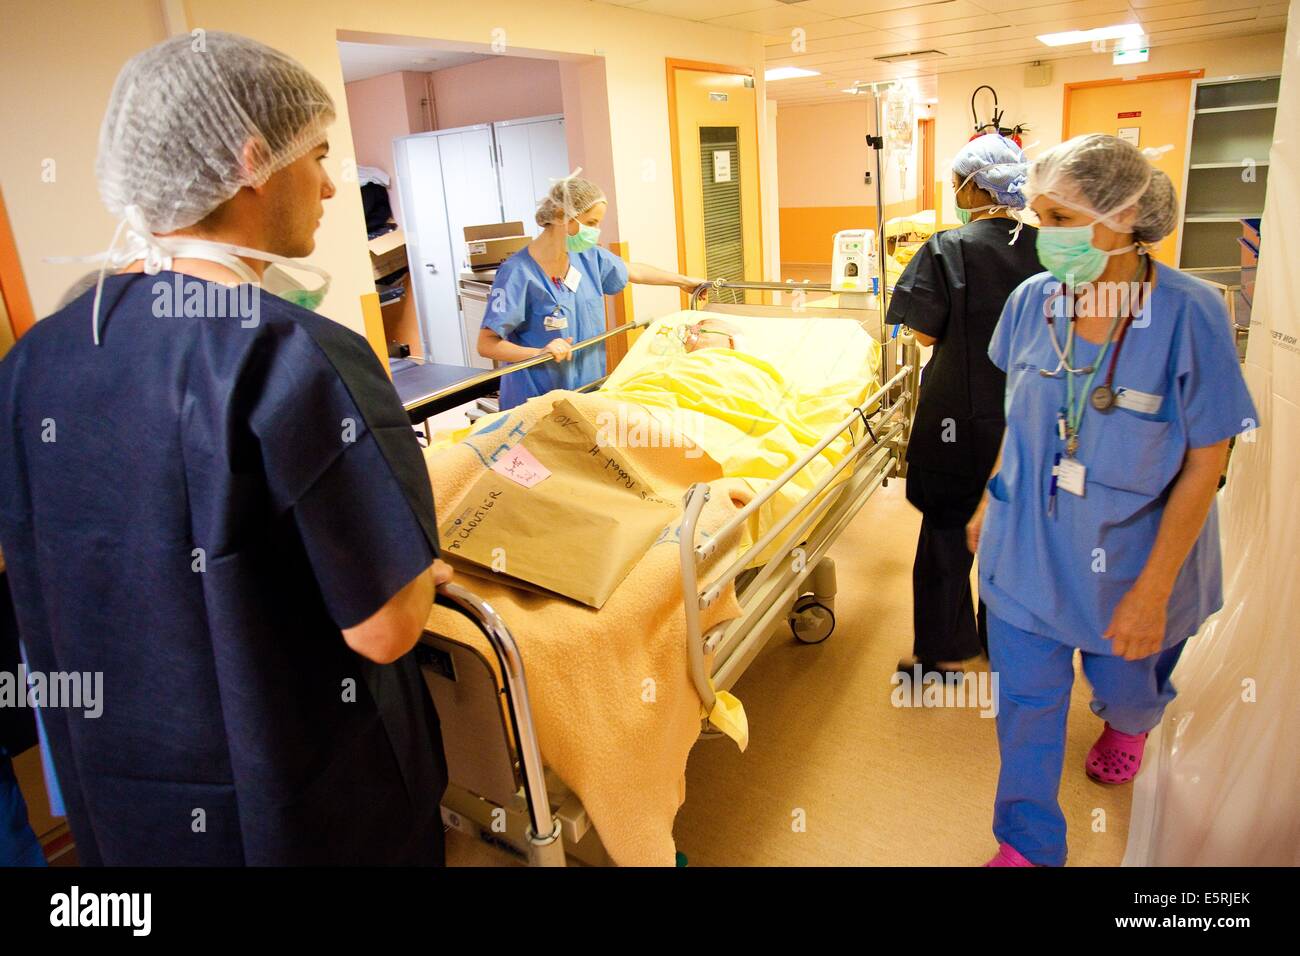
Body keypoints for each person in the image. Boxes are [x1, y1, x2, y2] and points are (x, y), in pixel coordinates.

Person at [0, 32, 455, 865]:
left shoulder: (42, 356)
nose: (328, 185)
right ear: (253, 161)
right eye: (316, 155)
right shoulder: (288, 352)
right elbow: (386, 629)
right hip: (299, 802)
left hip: (129, 804)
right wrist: (414, 572)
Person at [967, 134, 1257, 867]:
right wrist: (989, 499)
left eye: (1061, 218)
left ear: (1125, 215)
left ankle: (1131, 723)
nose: (1044, 238)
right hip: (1026, 549)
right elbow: (1018, 412)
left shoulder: (1192, 314)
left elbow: (1205, 461)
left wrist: (1154, 591)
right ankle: (1027, 844)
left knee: (1125, 690)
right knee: (1027, 706)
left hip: (1133, 558)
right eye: (1038, 217)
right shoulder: (1031, 304)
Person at [886, 134, 1041, 676]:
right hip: (1031, 417)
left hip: (958, 417)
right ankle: (1002, 641)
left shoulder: (948, 249)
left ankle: (943, 653)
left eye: (956, 184)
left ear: (974, 187)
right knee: (1014, 533)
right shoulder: (1053, 249)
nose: (955, 191)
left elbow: (923, 336)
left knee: (947, 537)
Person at [479, 174, 708, 409]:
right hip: (533, 398)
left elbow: (634, 272)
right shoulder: (517, 273)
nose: (596, 231)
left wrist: (683, 281)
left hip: (585, 391)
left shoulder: (587, 257)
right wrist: (539, 352)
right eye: (590, 223)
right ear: (560, 215)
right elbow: (486, 344)